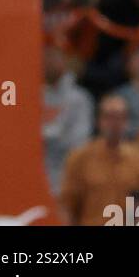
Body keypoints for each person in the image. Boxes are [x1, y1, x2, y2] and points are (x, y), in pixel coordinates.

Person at [60, 94, 139, 225]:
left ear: (126, 121)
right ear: (99, 121)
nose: (114, 124)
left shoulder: (138, 160)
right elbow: (68, 207)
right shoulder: (80, 158)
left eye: (119, 118)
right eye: (109, 117)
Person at [42, 44, 93, 194]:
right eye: (45, 57)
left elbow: (79, 142)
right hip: (33, 176)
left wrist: (46, 137)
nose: (48, 61)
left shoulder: (80, 99)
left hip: (67, 177)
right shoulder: (27, 96)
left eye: (53, 56)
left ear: (65, 60)